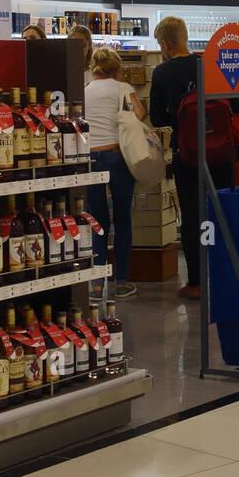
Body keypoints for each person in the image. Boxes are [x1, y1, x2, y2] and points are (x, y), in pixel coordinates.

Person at [148, 16, 239, 300]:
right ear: (186, 37)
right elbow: (237, 105)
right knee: (224, 211)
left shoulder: (163, 72)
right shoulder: (211, 64)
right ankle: (228, 276)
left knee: (192, 215)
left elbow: (157, 117)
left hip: (188, 154)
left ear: (165, 43)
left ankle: (197, 282)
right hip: (223, 153)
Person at [84, 47, 144, 299]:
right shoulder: (122, 88)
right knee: (122, 219)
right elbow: (139, 114)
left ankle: (97, 284)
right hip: (117, 156)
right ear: (116, 69)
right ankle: (121, 282)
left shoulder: (84, 90)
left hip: (90, 159)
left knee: (97, 222)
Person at [68, 25, 94, 89]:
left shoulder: (95, 74)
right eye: (74, 45)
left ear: (89, 45)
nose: (78, 49)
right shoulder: (63, 73)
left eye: (83, 45)